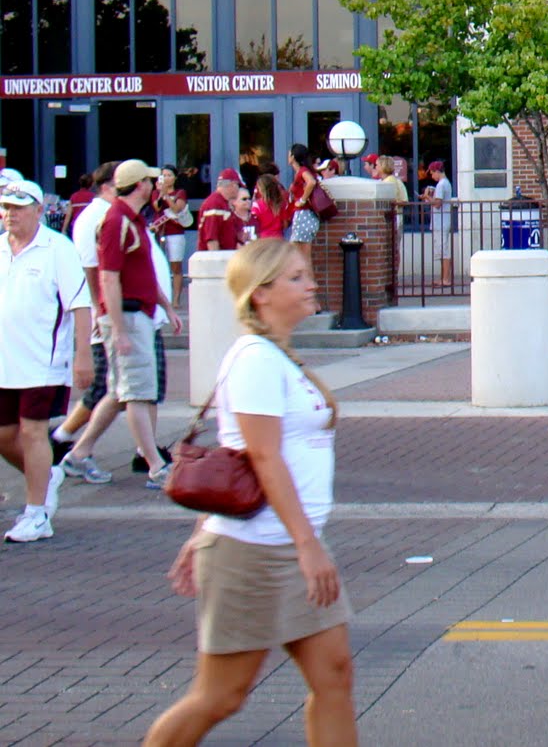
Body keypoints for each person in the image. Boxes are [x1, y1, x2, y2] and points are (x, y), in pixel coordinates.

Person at [143, 240, 355, 746]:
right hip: (256, 552)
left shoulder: (279, 357)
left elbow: (232, 453)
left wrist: (201, 535)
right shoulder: (255, 359)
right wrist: (307, 545)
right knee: (221, 696)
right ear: (260, 294)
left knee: (335, 677)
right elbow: (261, 456)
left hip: (286, 546)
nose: (311, 285)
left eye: (307, 275)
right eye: (296, 278)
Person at [0, 178, 92, 542]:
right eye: (6, 208)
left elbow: (80, 305)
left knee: (32, 431)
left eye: (19, 208)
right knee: (5, 436)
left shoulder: (58, 248)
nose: (11, 215)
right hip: (5, 360)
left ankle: (36, 514)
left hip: (42, 361)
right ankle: (47, 476)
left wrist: (82, 354)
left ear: (39, 211)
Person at [98, 160, 181, 487]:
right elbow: (108, 278)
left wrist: (166, 307)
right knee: (135, 393)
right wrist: (117, 328)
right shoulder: (116, 220)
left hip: (140, 313)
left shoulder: (133, 221)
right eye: (149, 180)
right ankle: (154, 465)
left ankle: (78, 453)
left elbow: (143, 274)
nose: (154, 184)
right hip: (129, 315)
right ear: (140, 185)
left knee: (136, 392)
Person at [52, 162, 119, 477]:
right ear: (107, 185)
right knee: (109, 389)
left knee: (130, 392)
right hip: (105, 319)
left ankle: (147, 456)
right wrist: (101, 309)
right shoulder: (96, 216)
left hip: (121, 315)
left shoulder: (117, 213)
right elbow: (92, 268)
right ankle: (65, 441)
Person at [153, 164, 193, 307]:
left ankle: (176, 299)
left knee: (175, 266)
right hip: (160, 232)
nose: (166, 178)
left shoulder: (180, 192)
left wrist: (167, 196)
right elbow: (156, 207)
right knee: (159, 265)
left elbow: (176, 209)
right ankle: (161, 298)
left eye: (169, 175)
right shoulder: (155, 192)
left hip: (175, 232)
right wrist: (160, 194)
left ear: (175, 178)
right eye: (163, 175)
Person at [286, 144, 321, 259]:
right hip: (303, 216)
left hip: (304, 215)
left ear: (293, 156)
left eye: (289, 153)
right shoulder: (300, 172)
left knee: (301, 256)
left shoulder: (302, 171)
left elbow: (311, 182)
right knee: (301, 256)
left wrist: (302, 200)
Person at [424, 160, 453, 286]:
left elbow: (437, 204)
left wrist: (426, 197)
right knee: (442, 251)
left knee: (444, 251)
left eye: (432, 173)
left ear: (437, 171)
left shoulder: (441, 185)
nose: (431, 176)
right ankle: (444, 278)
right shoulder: (445, 183)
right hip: (442, 221)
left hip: (441, 221)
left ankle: (446, 279)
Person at [198, 169, 242, 253]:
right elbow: (211, 239)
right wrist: (216, 261)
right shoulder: (214, 204)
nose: (238, 190)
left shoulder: (222, 203)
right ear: (233, 184)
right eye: (238, 185)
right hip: (214, 260)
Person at [252, 173, 290, 241]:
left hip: (263, 239)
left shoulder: (256, 205)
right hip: (279, 238)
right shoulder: (281, 203)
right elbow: (285, 225)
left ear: (261, 189)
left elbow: (254, 225)